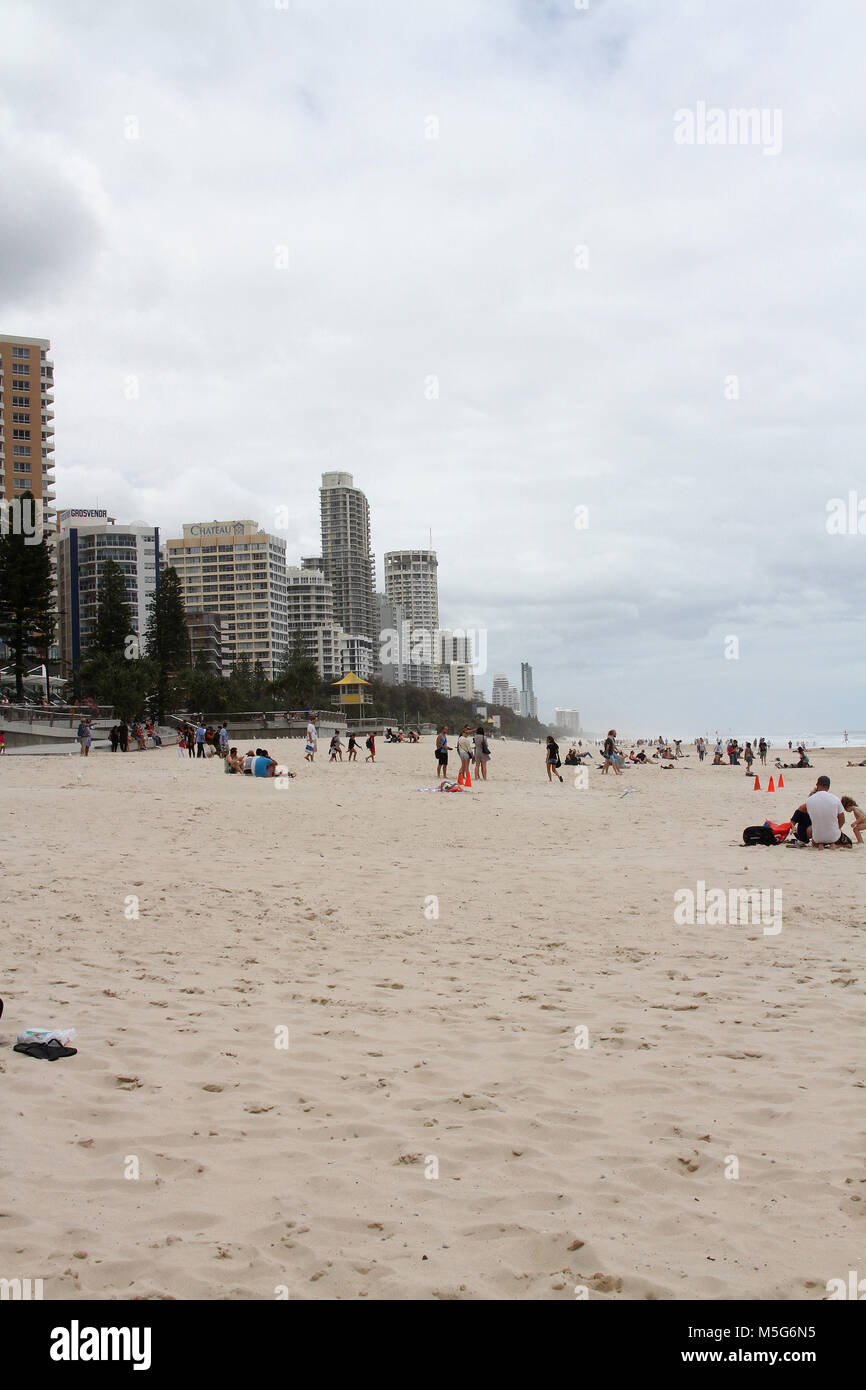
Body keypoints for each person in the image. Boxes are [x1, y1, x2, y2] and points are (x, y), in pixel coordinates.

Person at [805, 776, 845, 848]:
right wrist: (836, 829)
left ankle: (820, 844)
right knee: (849, 844)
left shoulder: (809, 800)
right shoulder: (835, 799)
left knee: (812, 828)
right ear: (828, 787)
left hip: (817, 837)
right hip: (833, 836)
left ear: (817, 785)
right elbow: (842, 820)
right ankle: (833, 845)